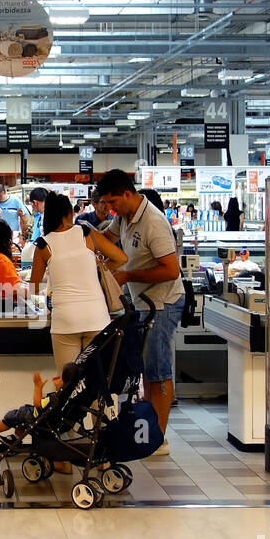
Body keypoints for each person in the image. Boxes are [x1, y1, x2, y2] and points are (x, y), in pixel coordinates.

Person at [96, 168, 185, 443]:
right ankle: (150, 434)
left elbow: (171, 270)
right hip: (142, 303)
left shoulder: (154, 223)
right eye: (105, 204)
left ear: (127, 193)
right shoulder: (125, 217)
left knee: (158, 371)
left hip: (162, 302)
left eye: (112, 202)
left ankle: (159, 437)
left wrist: (128, 275)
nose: (109, 209)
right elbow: (106, 239)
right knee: (147, 369)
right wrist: (77, 238)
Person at [30, 191, 127, 374]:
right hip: (96, 317)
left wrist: (54, 276)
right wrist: (99, 267)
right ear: (69, 212)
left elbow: (34, 288)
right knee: (97, 380)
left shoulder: (43, 245)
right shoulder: (86, 233)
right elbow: (121, 258)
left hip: (65, 320)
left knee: (67, 384)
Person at [0, 364, 79, 441]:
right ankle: (16, 438)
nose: (56, 378)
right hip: (52, 422)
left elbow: (38, 405)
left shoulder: (56, 398)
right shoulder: (71, 397)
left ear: (65, 383)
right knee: (20, 422)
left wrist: (38, 387)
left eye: (60, 377)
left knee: (11, 416)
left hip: (37, 419)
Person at [21, 186, 48, 266]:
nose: (33, 208)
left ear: (35, 203)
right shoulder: (44, 215)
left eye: (32, 205)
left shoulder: (45, 217)